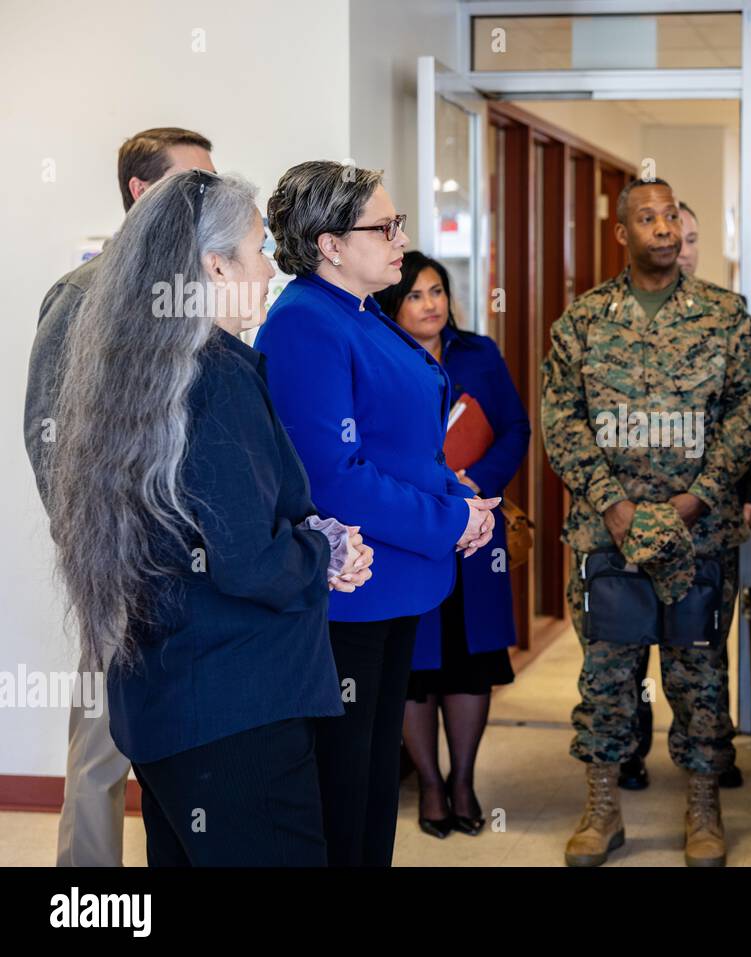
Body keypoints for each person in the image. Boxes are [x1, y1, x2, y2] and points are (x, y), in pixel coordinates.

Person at [46, 169, 374, 865]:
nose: (271, 269)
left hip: (166, 704)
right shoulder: (216, 373)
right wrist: (327, 553)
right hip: (238, 710)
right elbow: (249, 560)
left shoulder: (133, 367)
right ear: (216, 264)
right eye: (259, 250)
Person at [255, 161, 499, 866]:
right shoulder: (304, 323)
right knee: (346, 786)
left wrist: (460, 498)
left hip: (394, 583)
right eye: (384, 227)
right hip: (353, 591)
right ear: (330, 244)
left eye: (399, 224)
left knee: (371, 785)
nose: (401, 239)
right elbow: (335, 479)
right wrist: (448, 522)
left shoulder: (360, 313)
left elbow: (405, 447)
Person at [541, 176, 751, 867]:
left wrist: (695, 498)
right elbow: (561, 420)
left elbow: (747, 414)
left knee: (700, 674)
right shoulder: (584, 321)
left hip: (699, 533)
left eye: (671, 215)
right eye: (648, 218)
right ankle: (603, 808)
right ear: (622, 232)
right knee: (607, 675)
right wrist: (613, 503)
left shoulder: (726, 316)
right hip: (606, 535)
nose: (664, 227)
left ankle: (703, 805)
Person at [23, 126, 215, 867]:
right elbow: (49, 433)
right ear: (142, 191)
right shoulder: (83, 293)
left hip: (195, 558)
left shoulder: (204, 285)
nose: (206, 195)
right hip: (118, 561)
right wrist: (95, 546)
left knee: (188, 737)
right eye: (191, 180)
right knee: (104, 747)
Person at [620, 199, 751, 793]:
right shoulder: (602, 317)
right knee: (622, 649)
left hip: (704, 521)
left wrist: (746, 491)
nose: (673, 243)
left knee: (700, 652)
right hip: (624, 522)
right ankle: (625, 753)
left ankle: (707, 766)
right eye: (660, 229)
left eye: (685, 236)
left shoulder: (723, 314)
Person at [375, 252, 530, 838]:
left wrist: (477, 482)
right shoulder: (380, 353)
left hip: (477, 528)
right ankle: (430, 786)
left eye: (437, 291)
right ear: (394, 305)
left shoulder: (479, 354)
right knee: (416, 665)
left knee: (471, 660)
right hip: (409, 530)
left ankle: (462, 781)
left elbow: (515, 428)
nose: (431, 304)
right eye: (415, 295)